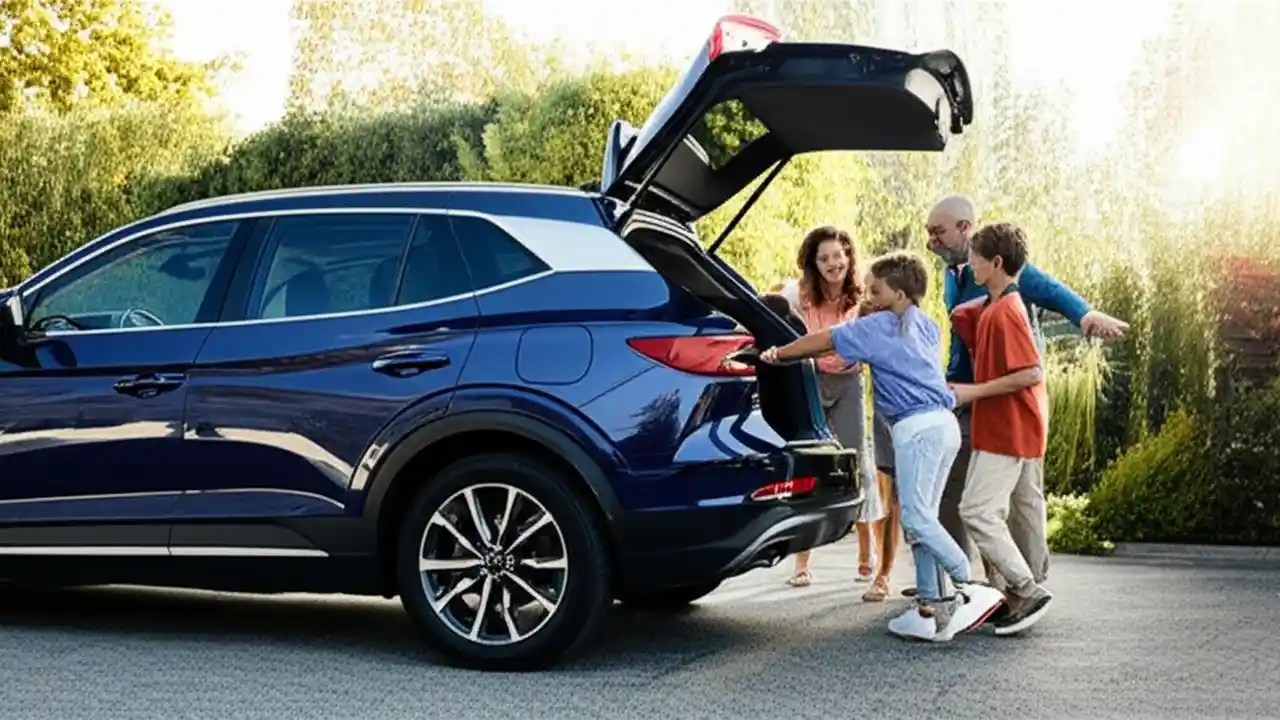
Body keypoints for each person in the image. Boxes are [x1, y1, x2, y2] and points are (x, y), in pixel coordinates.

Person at [759, 251, 1004, 642]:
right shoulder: (926, 325)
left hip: (918, 430)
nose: (868, 298)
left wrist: (778, 355)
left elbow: (824, 341)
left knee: (916, 518)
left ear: (902, 295)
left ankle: (970, 586)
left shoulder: (878, 327)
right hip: (944, 426)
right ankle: (932, 604)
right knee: (924, 517)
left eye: (876, 291)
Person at [916, 195, 1130, 596]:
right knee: (958, 486)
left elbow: (1051, 292)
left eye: (938, 232)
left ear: (965, 228)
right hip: (967, 393)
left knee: (1021, 492)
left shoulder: (1005, 273)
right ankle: (960, 575)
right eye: (929, 233)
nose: (931, 241)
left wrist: (1084, 315)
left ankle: (1026, 580)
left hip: (1010, 393)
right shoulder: (957, 276)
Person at [949, 222, 1054, 635]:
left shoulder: (1009, 311)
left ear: (995, 262)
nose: (969, 261)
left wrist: (971, 392)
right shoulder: (997, 306)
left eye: (975, 255)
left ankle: (1026, 589)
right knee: (990, 508)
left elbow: (1029, 371)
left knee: (977, 510)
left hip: (1009, 427)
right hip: (1001, 427)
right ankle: (1012, 592)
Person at [771, 227, 888, 598]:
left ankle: (866, 556)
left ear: (849, 256)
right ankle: (802, 564)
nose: (832, 264)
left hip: (849, 382)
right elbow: (767, 304)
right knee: (808, 463)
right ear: (814, 263)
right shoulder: (802, 294)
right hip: (812, 380)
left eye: (838, 256)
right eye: (824, 259)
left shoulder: (863, 295)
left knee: (857, 463)